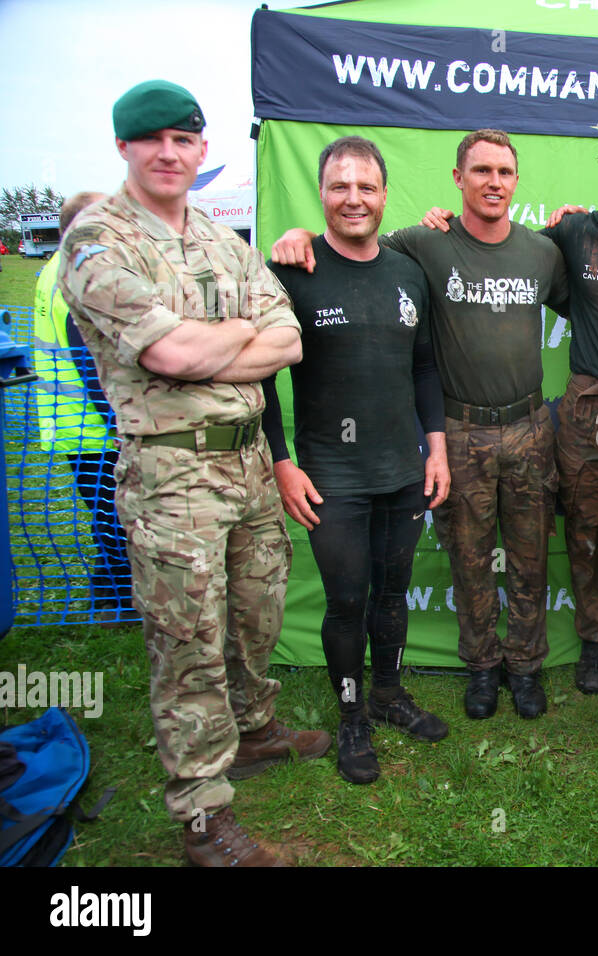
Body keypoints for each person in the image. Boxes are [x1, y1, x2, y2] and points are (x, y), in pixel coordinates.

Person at [59, 80, 329, 866]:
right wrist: (233, 334)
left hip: (246, 462)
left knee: (255, 614)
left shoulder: (219, 237)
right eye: (153, 140)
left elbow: (289, 339)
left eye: (185, 139)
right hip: (172, 478)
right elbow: (167, 355)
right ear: (124, 148)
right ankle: (203, 817)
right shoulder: (98, 243)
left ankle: (254, 730)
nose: (169, 153)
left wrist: (216, 339)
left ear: (203, 149)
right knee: (189, 644)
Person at [273, 129, 567, 721]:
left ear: (516, 181)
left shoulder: (543, 252)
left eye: (504, 173)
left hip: (530, 427)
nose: (493, 182)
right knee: (470, 558)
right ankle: (482, 669)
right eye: (480, 171)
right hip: (458, 431)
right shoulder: (422, 245)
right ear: (458, 179)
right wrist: (298, 234)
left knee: (532, 559)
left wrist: (579, 223)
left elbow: (593, 298)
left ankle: (526, 668)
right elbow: (352, 241)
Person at [422, 110, 598, 695]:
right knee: (587, 531)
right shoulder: (571, 233)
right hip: (588, 404)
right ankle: (591, 643)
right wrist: (436, 218)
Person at [262, 136, 451, 785]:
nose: (353, 198)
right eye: (340, 186)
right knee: (347, 600)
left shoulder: (406, 272)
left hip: (402, 470)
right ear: (321, 193)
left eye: (365, 186)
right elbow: (261, 380)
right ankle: (350, 718)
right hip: (331, 478)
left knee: (392, 595)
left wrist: (437, 449)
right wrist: (282, 462)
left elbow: (425, 367)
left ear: (383, 194)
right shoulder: (292, 267)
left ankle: (389, 694)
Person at [32, 190, 135, 623]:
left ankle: (108, 602)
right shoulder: (78, 276)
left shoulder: (53, 269)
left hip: (74, 425)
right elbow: (91, 364)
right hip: (93, 429)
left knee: (107, 520)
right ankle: (121, 606)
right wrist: (123, 424)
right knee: (117, 522)